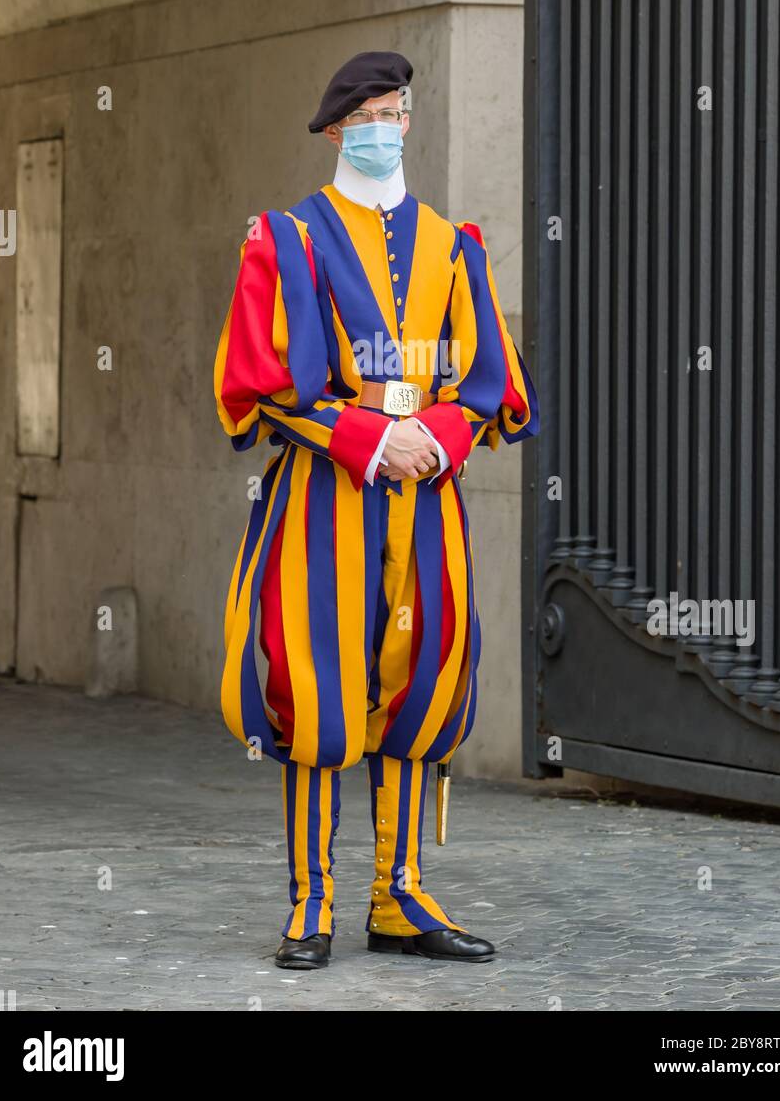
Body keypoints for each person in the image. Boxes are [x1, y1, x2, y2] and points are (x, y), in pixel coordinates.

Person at [214, 50, 539, 969]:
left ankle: (397, 896)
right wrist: (365, 438)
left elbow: (488, 379)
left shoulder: (454, 242)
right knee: (317, 691)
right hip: (324, 498)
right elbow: (259, 382)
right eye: (367, 114)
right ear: (333, 131)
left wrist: (435, 435)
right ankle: (309, 905)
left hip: (426, 501)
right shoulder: (285, 241)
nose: (384, 128)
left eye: (397, 111)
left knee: (418, 687)